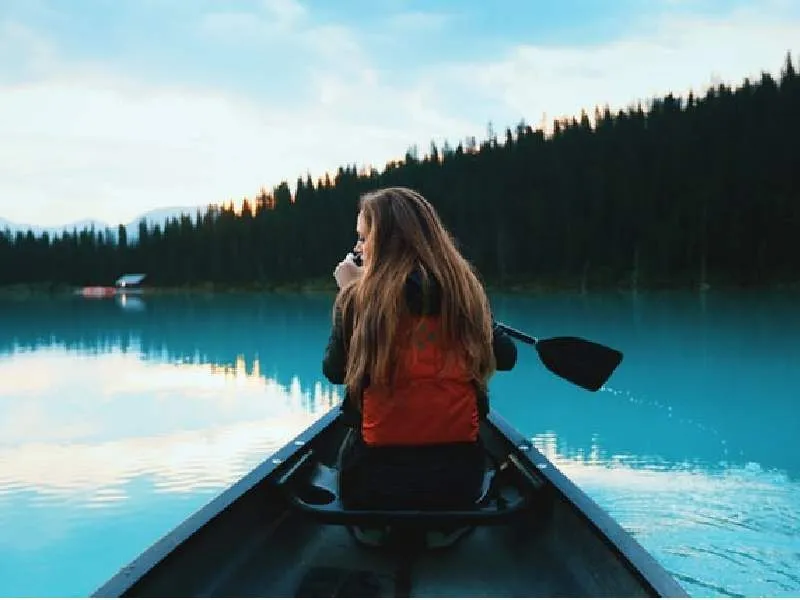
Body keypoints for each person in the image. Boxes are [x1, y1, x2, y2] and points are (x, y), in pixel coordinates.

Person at [322, 187, 517, 512]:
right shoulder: (464, 292)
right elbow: (506, 357)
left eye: (363, 237)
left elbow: (334, 371)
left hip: (373, 485)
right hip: (459, 484)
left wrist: (350, 295)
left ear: (385, 242)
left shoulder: (358, 299)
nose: (357, 248)